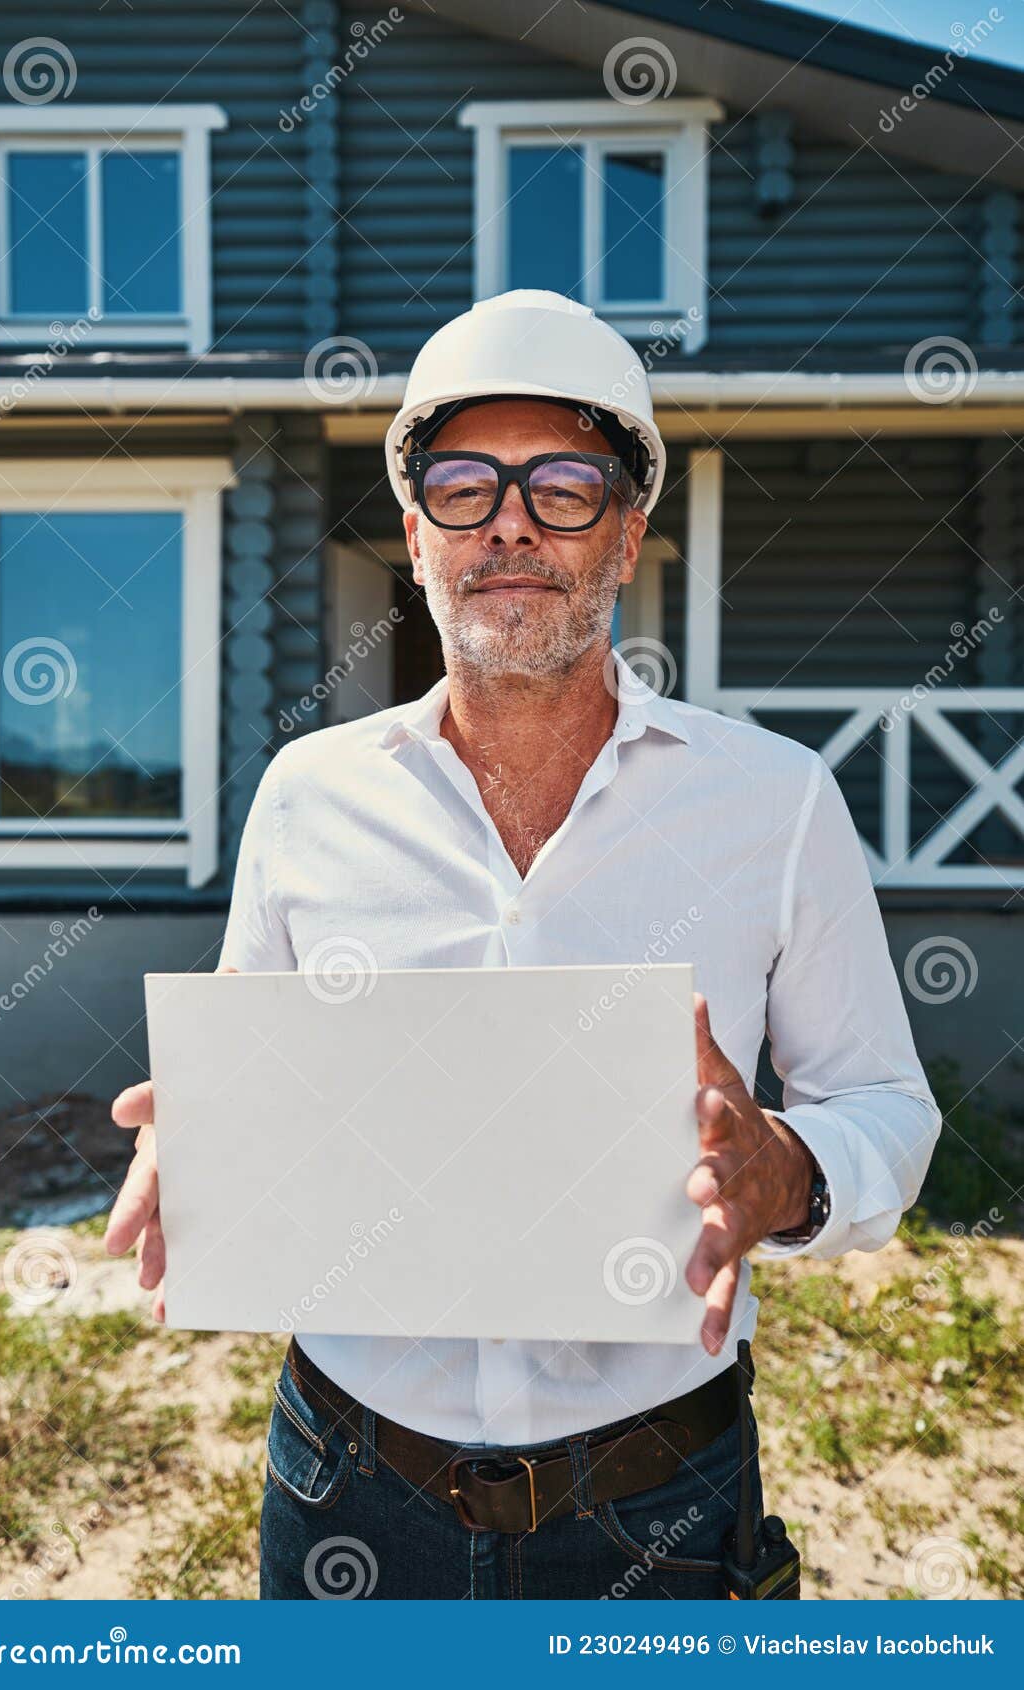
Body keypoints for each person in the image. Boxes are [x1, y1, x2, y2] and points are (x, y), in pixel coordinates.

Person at [105, 290, 940, 1600]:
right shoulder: (308, 797)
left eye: (562, 486)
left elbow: (887, 1105)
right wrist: (196, 1139)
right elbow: (247, 1077)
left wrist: (788, 1169)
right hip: (346, 1486)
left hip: (659, 1502)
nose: (508, 523)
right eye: (463, 487)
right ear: (415, 536)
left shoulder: (775, 803)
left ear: (628, 533)